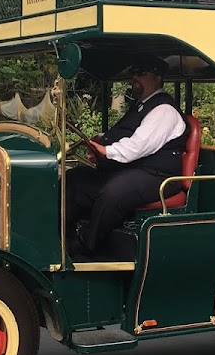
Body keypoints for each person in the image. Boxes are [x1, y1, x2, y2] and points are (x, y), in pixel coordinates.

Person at [66, 56, 187, 258]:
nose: (134, 78)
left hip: (157, 175)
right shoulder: (141, 105)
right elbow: (123, 132)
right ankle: (63, 237)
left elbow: (139, 145)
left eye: (140, 73)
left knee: (114, 192)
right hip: (133, 169)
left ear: (157, 78)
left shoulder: (164, 110)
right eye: (133, 73)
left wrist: (107, 152)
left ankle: (89, 246)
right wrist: (101, 141)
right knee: (75, 180)